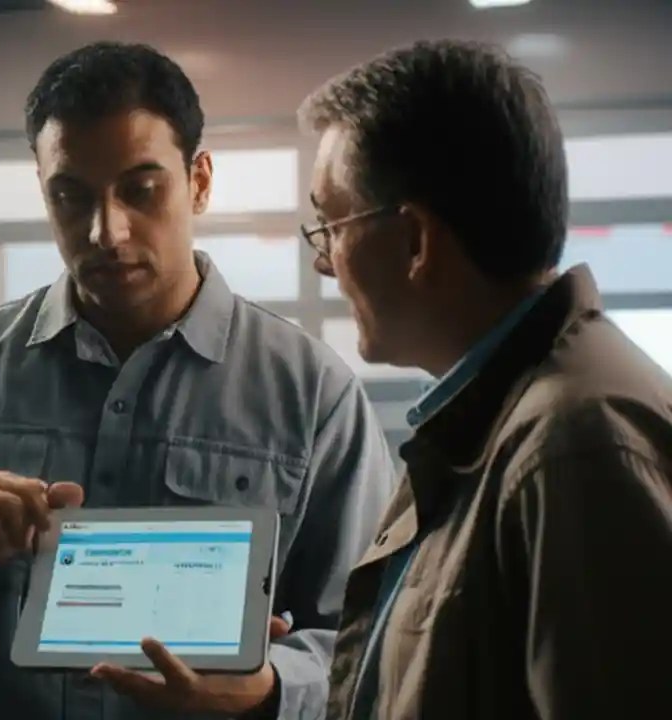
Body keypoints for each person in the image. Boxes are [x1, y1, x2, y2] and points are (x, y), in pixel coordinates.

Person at [0, 41, 396, 720]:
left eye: (141, 190)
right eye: (71, 196)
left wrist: (270, 688)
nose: (106, 232)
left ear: (199, 181)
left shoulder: (313, 395)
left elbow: (376, 648)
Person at [298, 39, 672, 720]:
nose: (325, 263)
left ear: (415, 241)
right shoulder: (497, 417)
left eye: (332, 225)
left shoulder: (572, 444)